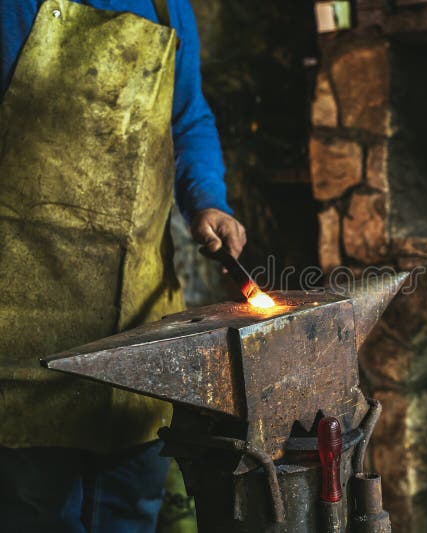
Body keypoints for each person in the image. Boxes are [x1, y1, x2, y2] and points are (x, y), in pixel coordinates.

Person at [0, 0, 245, 531]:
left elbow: (188, 118)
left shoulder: (167, 7)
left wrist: (208, 201)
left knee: (130, 513)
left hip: (136, 325)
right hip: (23, 334)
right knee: (37, 515)